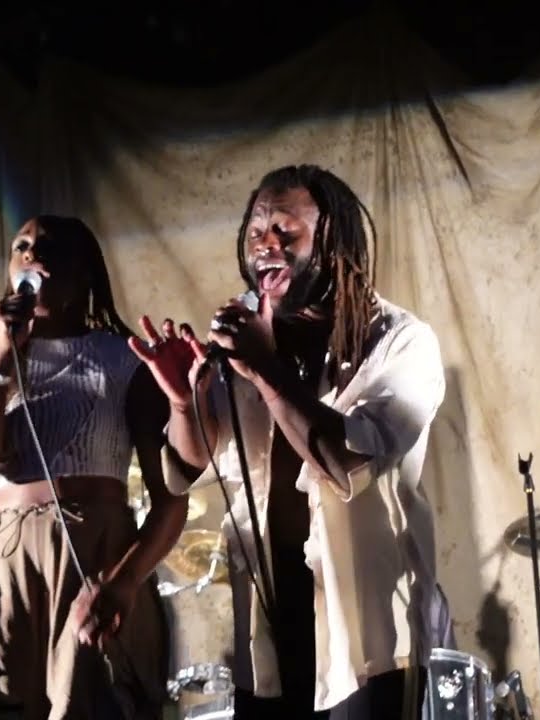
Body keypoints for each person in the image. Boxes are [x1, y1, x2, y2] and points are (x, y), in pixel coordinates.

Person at [134, 164, 447, 719]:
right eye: (257, 233)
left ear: (330, 242)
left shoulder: (400, 343)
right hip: (269, 631)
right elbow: (186, 468)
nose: (266, 246)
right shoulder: (245, 341)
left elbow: (346, 461)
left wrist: (266, 367)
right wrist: (184, 402)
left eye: (287, 232)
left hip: (364, 639)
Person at [0, 215, 187, 720]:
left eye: (49, 248)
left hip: (95, 557)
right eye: (21, 246)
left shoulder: (124, 361)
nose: (32, 255)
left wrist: (121, 582)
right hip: (11, 565)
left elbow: (171, 500)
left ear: (83, 275)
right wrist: (2, 362)